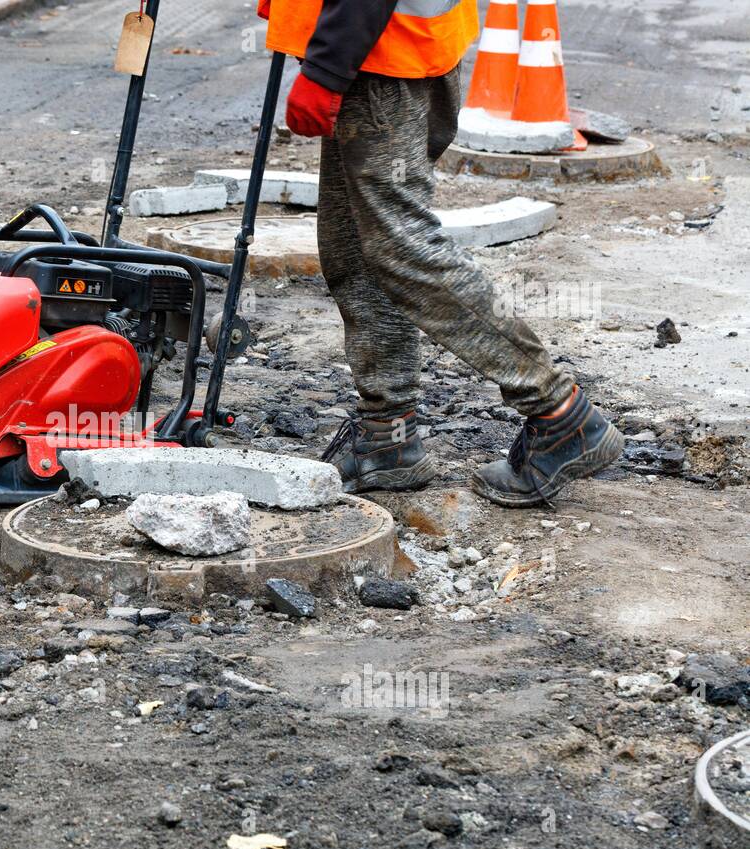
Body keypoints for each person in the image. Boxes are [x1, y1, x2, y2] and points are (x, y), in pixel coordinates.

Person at [257, 0, 623, 507]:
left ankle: (560, 412)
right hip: (382, 49)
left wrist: (326, 66)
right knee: (356, 251)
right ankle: (388, 438)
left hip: (379, 53)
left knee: (400, 247)